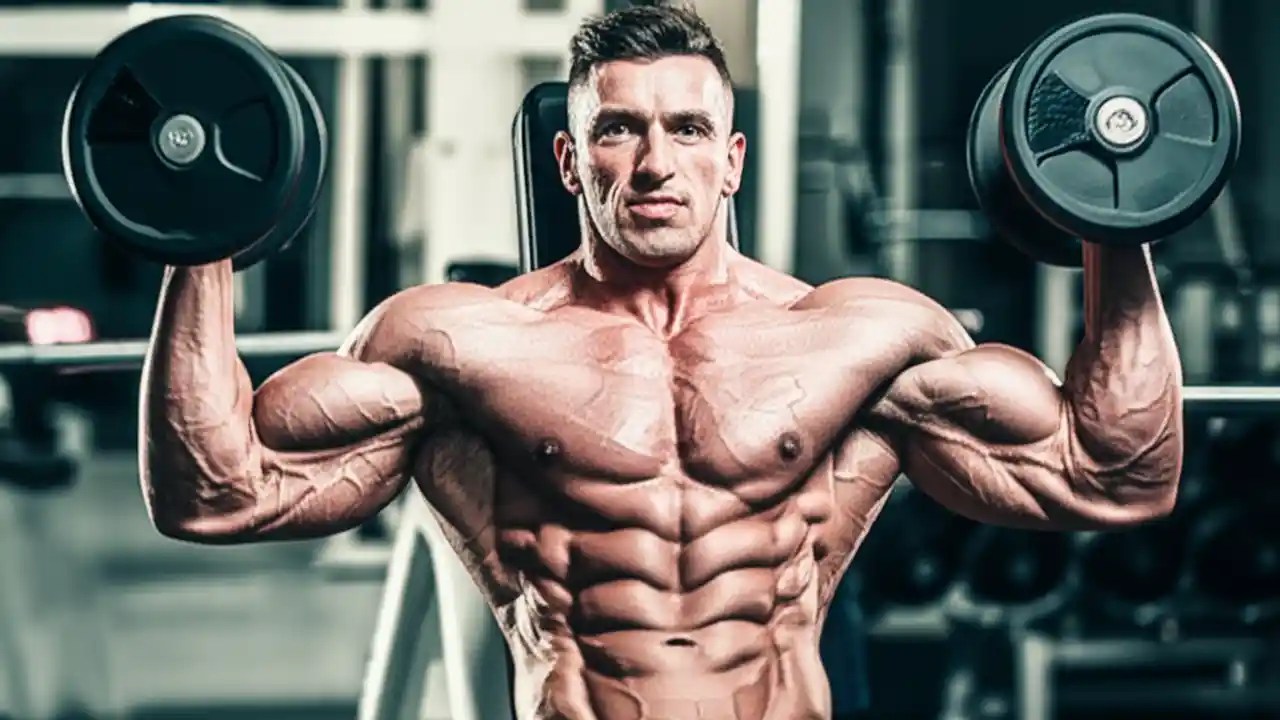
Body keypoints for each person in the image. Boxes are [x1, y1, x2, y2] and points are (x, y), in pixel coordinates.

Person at [138, 5, 1185, 719]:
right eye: (617, 131)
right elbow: (216, 493)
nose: (652, 164)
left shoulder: (859, 336)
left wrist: (1113, 220)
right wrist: (202, 240)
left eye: (687, 129)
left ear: (730, 162)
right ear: (567, 159)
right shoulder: (457, 342)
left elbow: (1116, 473)